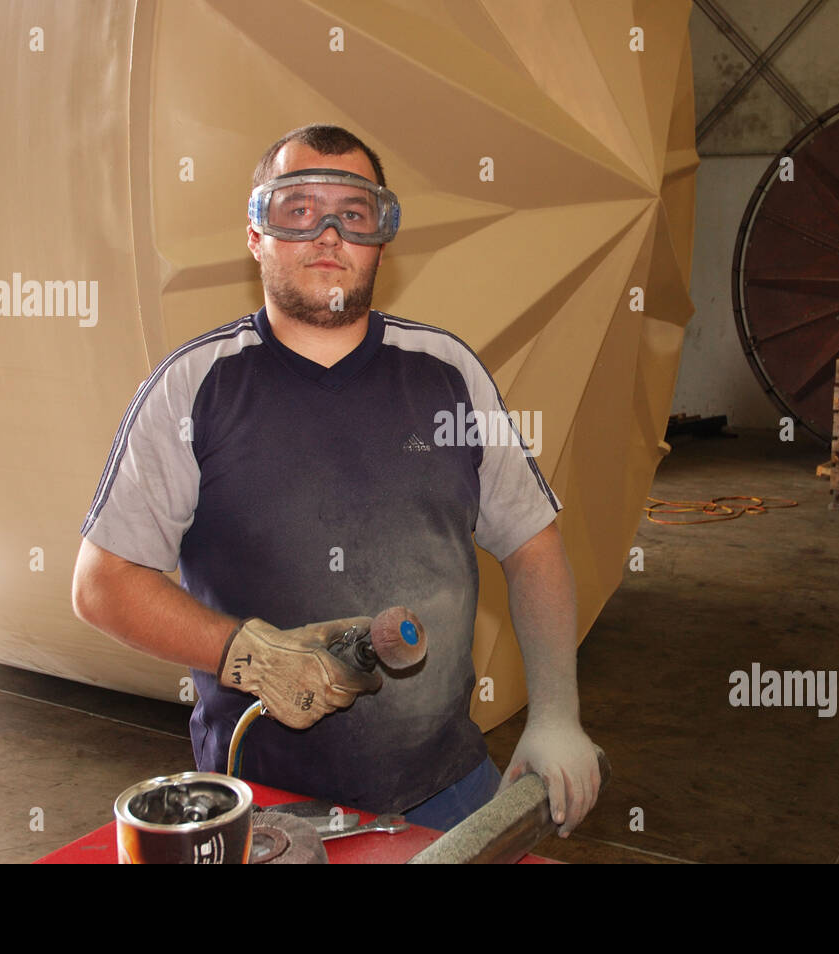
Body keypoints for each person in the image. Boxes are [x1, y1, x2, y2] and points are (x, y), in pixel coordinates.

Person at [71, 124, 601, 835]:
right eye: (297, 210)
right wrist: (249, 658)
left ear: (381, 238)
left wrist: (557, 715)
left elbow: (534, 546)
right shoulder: (195, 389)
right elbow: (101, 583)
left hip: (448, 790)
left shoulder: (448, 374)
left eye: (352, 214)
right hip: (264, 807)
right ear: (256, 236)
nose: (327, 234)